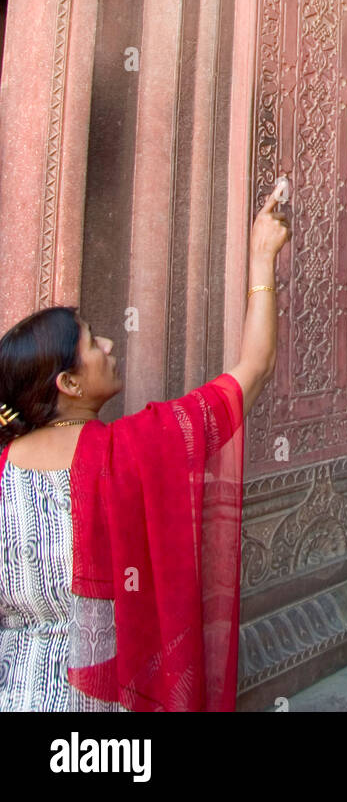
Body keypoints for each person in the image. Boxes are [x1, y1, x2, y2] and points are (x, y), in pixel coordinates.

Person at [0, 179, 290, 712]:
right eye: (92, 342)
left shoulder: (3, 473)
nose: (109, 346)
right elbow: (254, 368)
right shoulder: (133, 450)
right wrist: (261, 258)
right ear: (67, 384)